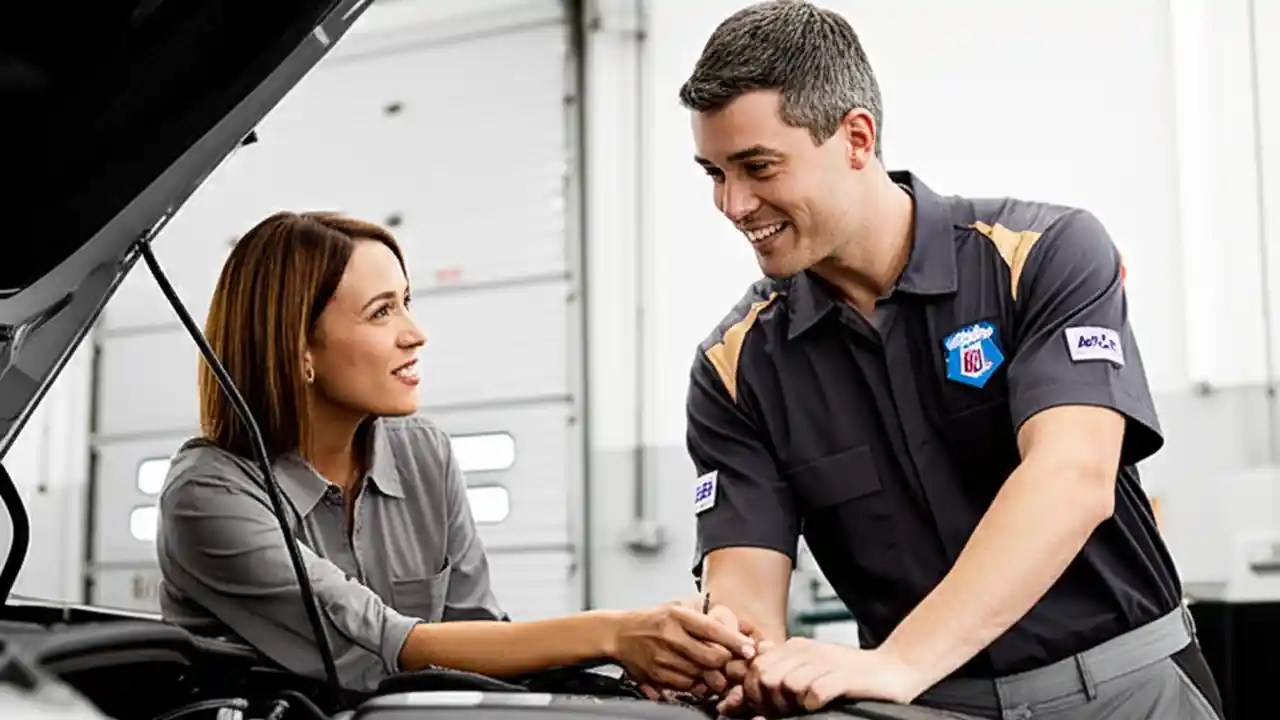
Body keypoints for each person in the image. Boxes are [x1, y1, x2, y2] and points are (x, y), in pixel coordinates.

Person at [675, 2, 1224, 719]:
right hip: (927, 706)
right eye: (713, 172)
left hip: (1126, 692)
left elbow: (1073, 476)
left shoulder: (1043, 254)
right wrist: (727, 652)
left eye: (758, 167)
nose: (734, 203)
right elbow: (745, 596)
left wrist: (900, 660)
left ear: (855, 138)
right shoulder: (735, 368)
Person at [155, 211, 756, 694]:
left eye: (407, 302)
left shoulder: (423, 453)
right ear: (299, 348)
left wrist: (638, 667)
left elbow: (477, 641)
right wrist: (618, 632)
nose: (414, 332)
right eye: (381, 311)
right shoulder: (209, 496)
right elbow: (391, 647)